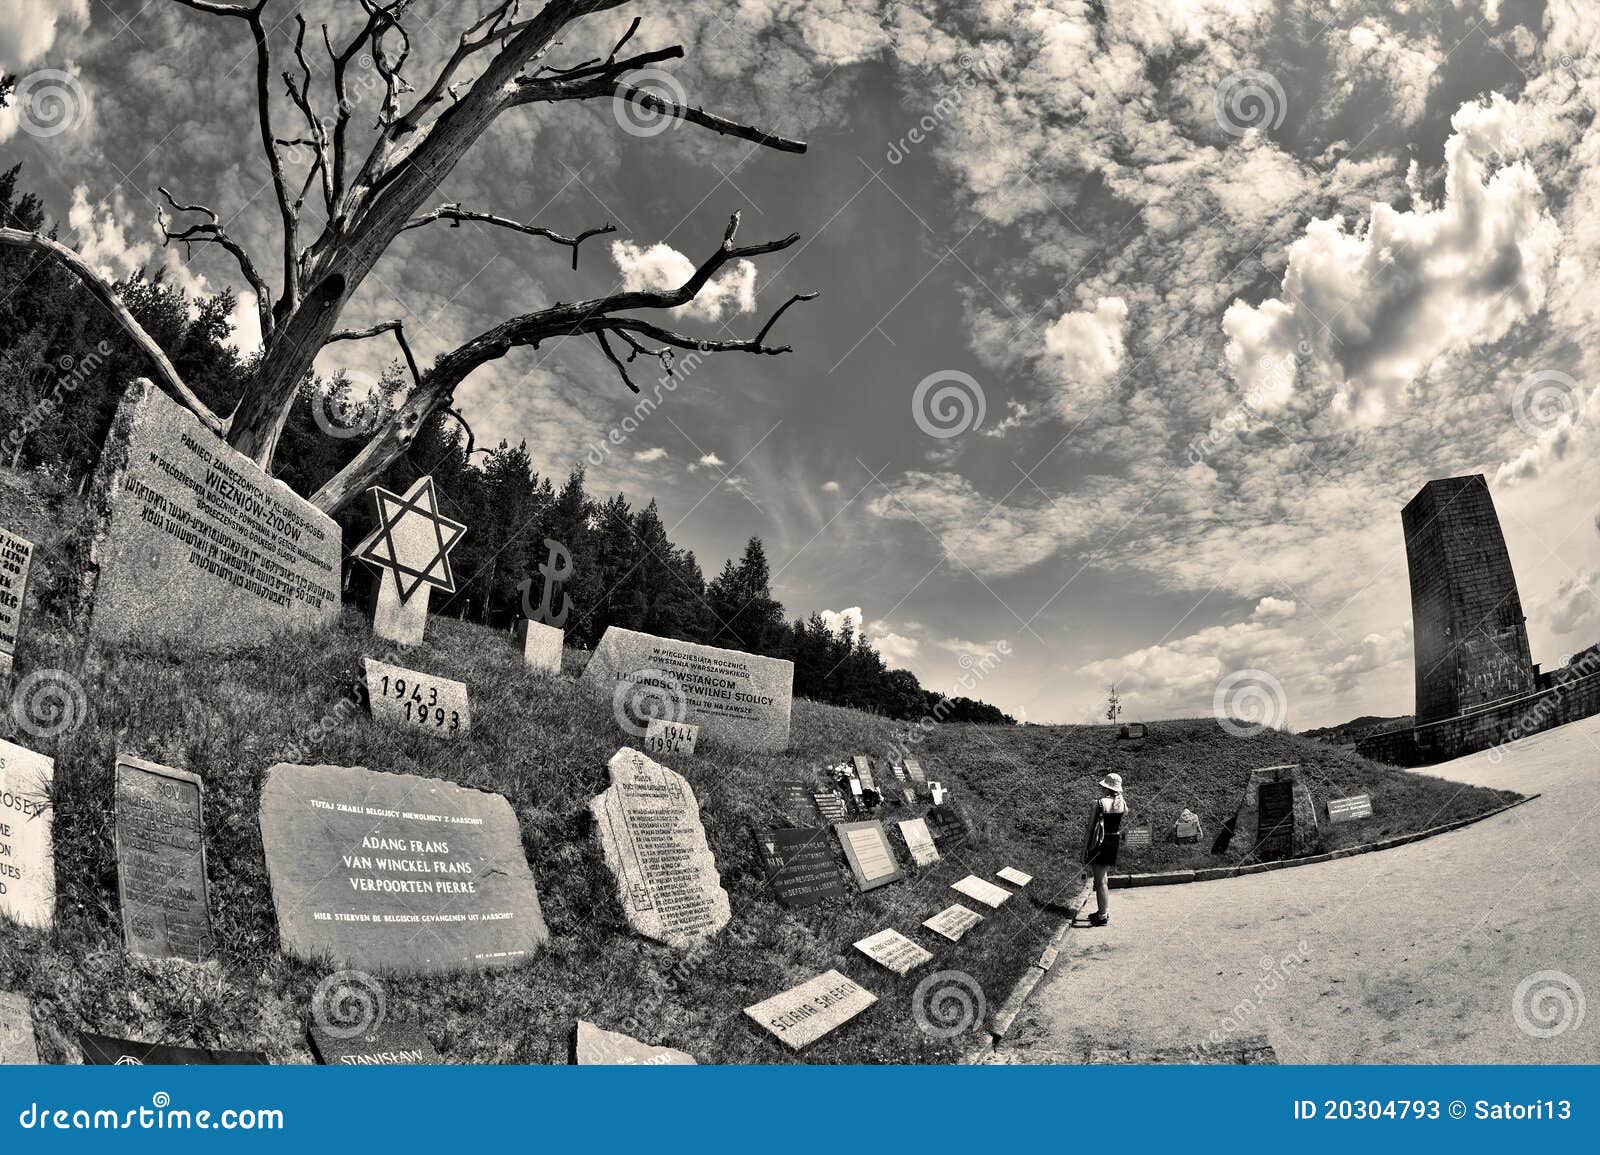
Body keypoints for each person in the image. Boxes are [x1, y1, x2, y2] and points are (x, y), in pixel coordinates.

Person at [1082, 772, 1127, 926]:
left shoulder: (1098, 803)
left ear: (1107, 788)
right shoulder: (1122, 803)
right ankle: (1103, 910)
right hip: (1113, 841)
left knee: (1099, 880)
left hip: (1099, 841)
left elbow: (1090, 829)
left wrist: (1084, 849)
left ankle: (1102, 916)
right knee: (1104, 878)